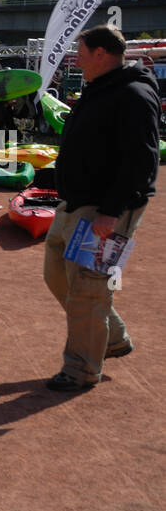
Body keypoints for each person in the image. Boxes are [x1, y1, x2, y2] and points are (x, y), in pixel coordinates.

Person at [42, 25, 158, 392]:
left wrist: (111, 210)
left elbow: (142, 160)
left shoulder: (133, 94)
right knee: (56, 273)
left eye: (81, 53)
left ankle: (81, 369)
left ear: (101, 54)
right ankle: (113, 337)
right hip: (76, 202)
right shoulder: (99, 88)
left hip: (108, 209)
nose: (76, 61)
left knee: (89, 288)